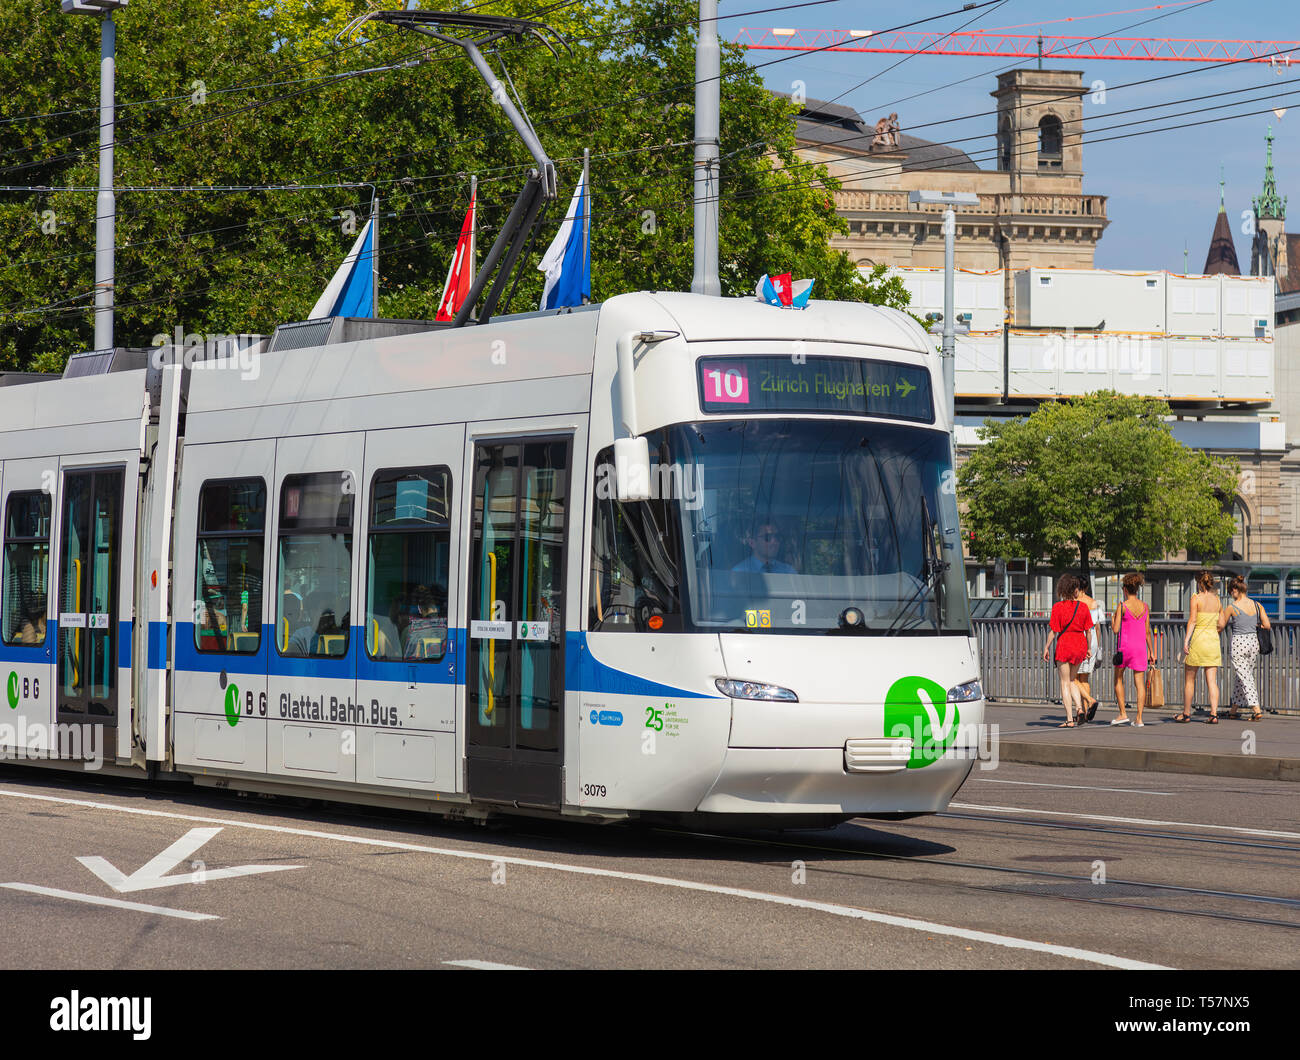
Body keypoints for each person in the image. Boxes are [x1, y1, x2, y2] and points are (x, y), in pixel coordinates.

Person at [1217, 574, 1271, 721]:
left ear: (1235, 589)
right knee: (1242, 676)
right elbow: (1267, 625)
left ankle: (1256, 709)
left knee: (1245, 677)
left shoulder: (1231, 607)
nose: (1231, 595)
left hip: (1239, 643)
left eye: (1231, 592)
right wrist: (1255, 625)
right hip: (1254, 642)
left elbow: (1220, 626)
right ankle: (1233, 710)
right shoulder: (1257, 605)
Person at [1042, 573, 1093, 727]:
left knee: (1064, 682)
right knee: (1072, 680)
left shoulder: (1058, 607)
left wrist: (1046, 647)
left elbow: (1054, 631)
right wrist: (1089, 648)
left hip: (1065, 645)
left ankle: (1070, 719)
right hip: (1080, 645)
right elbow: (1089, 631)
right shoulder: (1083, 607)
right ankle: (1079, 708)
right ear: (1075, 590)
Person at [1111, 571, 1155, 726]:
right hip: (1140, 648)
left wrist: (1113, 619)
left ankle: (1123, 713)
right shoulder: (1144, 606)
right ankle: (1139, 718)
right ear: (1137, 589)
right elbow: (1148, 632)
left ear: (1125, 589)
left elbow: (1116, 630)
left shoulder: (1122, 606)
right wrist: (1152, 651)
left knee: (1118, 679)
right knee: (1139, 683)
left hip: (1125, 648)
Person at [1179, 569, 1222, 724]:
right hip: (1213, 642)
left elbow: (1192, 621)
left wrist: (1185, 641)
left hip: (1198, 641)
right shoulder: (1217, 600)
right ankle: (1214, 714)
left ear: (1199, 582)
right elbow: (1221, 623)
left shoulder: (1195, 598)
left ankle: (1186, 713)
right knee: (1212, 681)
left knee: (1190, 680)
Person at [1073, 575, 1105, 722]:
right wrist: (1098, 646)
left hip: (1079, 637)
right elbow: (1097, 627)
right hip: (1092, 639)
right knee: (1084, 677)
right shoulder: (1094, 603)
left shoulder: (1074, 602)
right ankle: (1085, 712)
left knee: (1072, 677)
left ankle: (1083, 706)